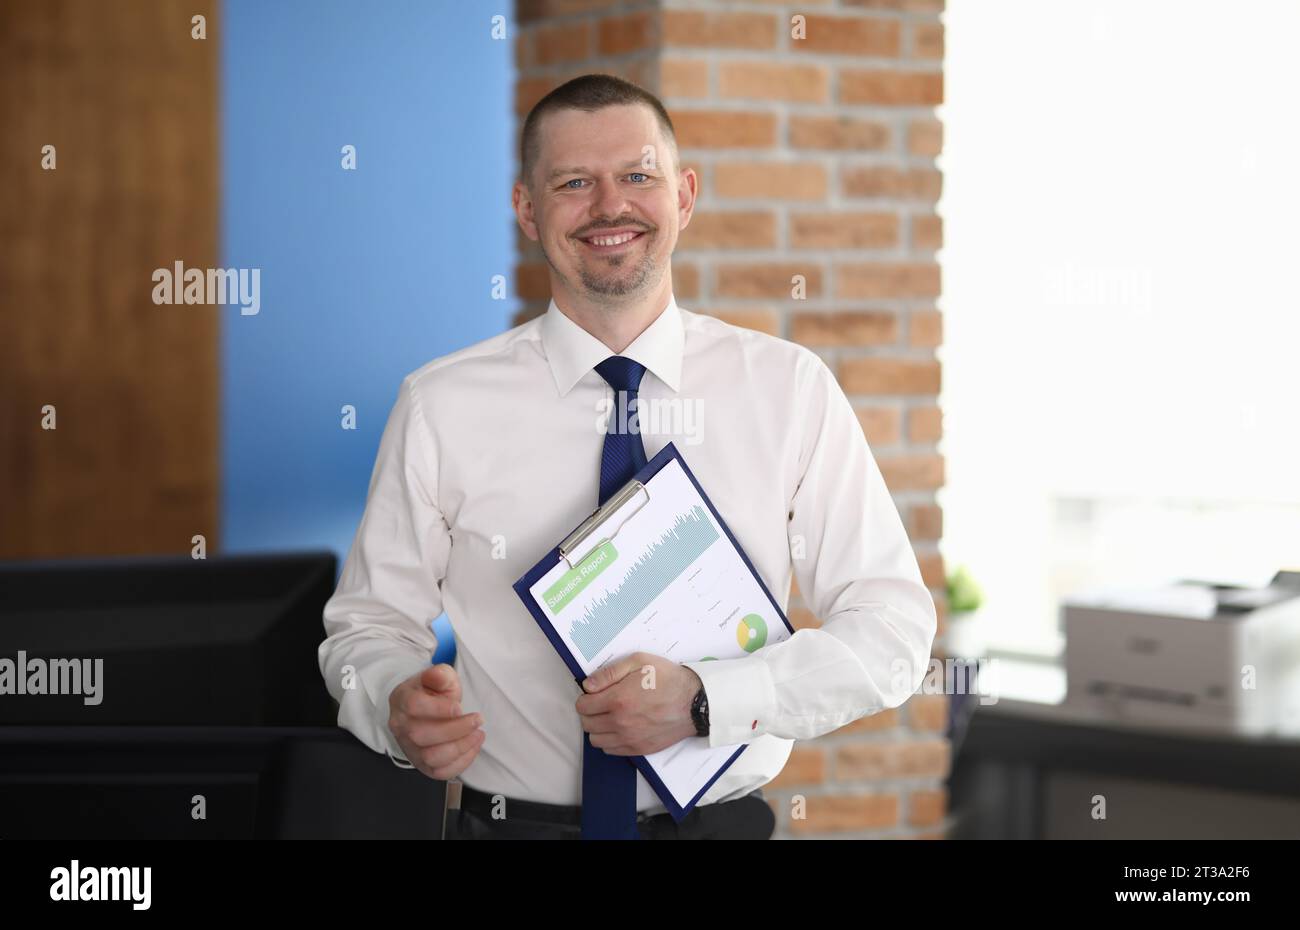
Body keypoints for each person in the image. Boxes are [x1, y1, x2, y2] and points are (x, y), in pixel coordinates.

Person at [318, 73, 937, 840]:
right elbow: (365, 630)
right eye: (574, 182)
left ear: (683, 196)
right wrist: (391, 703)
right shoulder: (440, 405)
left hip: (719, 828)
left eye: (638, 177)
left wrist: (708, 698)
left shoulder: (788, 390)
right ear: (526, 210)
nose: (610, 206)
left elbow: (893, 630)